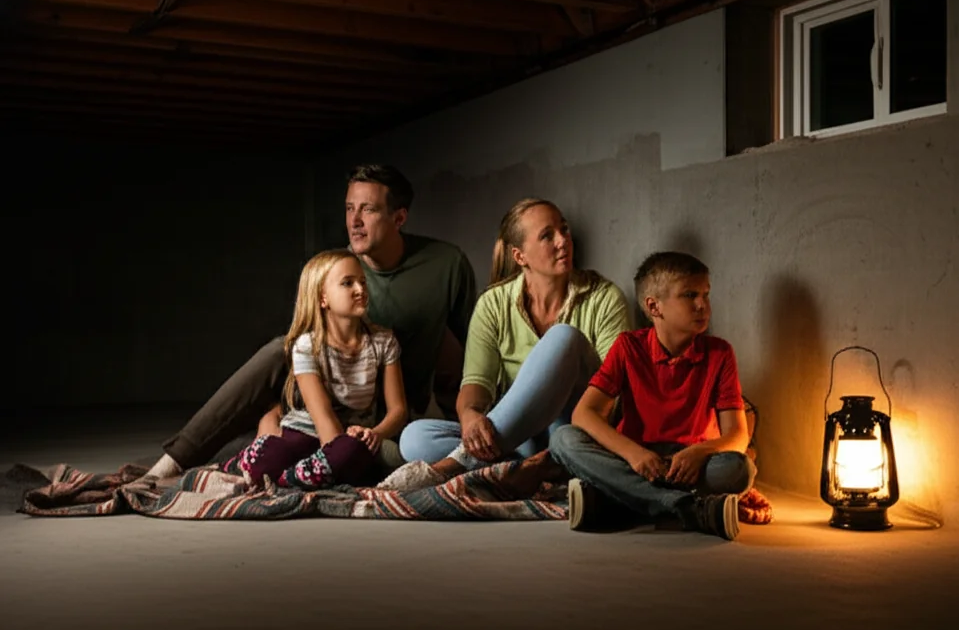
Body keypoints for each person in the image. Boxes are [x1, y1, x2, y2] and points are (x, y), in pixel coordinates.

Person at [145, 164, 476, 480]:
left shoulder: (446, 264)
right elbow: (304, 354)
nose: (355, 221)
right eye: (349, 209)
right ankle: (173, 462)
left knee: (381, 457)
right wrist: (271, 413)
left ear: (399, 217)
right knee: (281, 349)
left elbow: (472, 351)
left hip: (385, 412)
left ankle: (302, 462)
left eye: (368, 210)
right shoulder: (338, 271)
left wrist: (469, 420)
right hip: (324, 404)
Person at [379, 198, 632, 492]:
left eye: (564, 230)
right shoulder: (493, 303)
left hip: (576, 432)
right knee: (415, 437)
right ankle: (531, 470)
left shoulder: (604, 297)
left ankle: (458, 466)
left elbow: (614, 396)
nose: (563, 241)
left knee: (564, 337)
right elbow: (476, 384)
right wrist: (471, 416)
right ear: (520, 256)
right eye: (547, 235)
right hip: (521, 438)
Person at [548, 251, 756, 541]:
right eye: (689, 295)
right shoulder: (628, 347)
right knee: (562, 439)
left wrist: (699, 452)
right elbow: (584, 413)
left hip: (692, 464)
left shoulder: (720, 353)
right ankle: (684, 507)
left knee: (739, 470)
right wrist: (633, 454)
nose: (702, 305)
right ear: (653, 306)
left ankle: (617, 498)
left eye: (706, 294)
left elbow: (738, 435)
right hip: (638, 460)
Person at [236, 249, 406, 489]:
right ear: (323, 298)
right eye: (348, 283)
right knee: (274, 454)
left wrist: (376, 433)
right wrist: (337, 456)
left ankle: (286, 479)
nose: (360, 290)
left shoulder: (384, 341)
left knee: (379, 455)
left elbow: (398, 410)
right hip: (308, 432)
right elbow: (323, 417)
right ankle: (274, 470)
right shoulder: (307, 346)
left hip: (355, 437)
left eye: (362, 282)